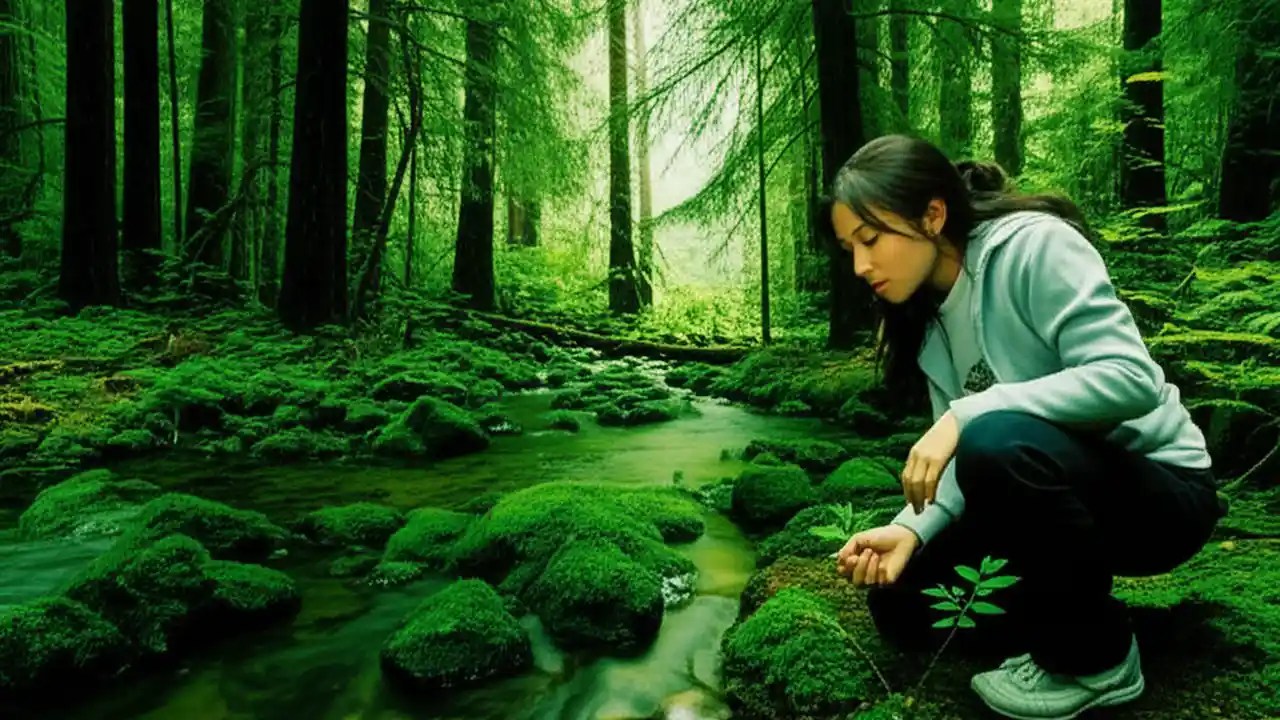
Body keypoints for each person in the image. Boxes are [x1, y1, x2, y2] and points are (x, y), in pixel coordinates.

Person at [825, 134, 1224, 720]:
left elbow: (1131, 379)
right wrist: (910, 529)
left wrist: (969, 412)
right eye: (848, 249)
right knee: (904, 604)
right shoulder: (927, 317)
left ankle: (1099, 658)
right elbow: (960, 467)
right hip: (1042, 494)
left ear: (932, 215)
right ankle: (1056, 618)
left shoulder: (1034, 247)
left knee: (993, 440)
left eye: (871, 239)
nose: (861, 266)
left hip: (1159, 495)